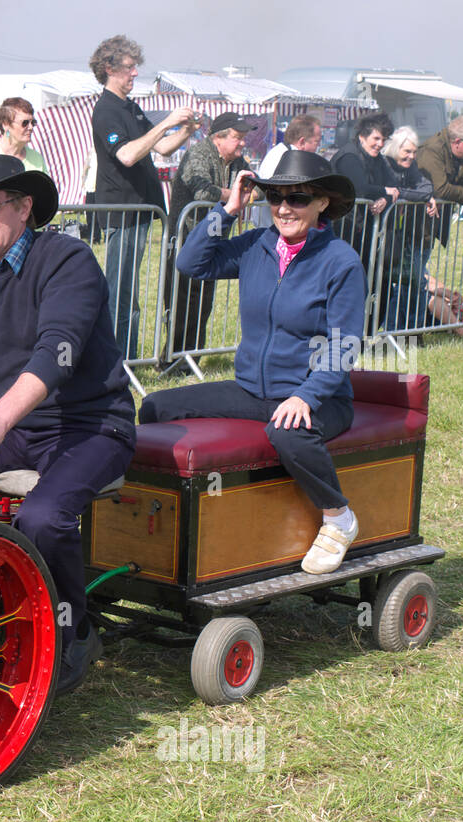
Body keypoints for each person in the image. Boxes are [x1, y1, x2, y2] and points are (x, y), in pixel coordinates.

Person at [0, 155, 137, 694]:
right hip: (17, 432)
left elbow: (57, 354)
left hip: (92, 426)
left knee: (42, 518)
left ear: (25, 207)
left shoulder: (68, 260)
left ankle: (72, 634)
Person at [140, 151, 365, 576]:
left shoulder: (341, 261)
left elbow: (345, 344)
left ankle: (338, 518)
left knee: (289, 433)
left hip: (320, 398)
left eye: (297, 198)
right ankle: (167, 521)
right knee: (155, 408)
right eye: (275, 196)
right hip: (251, 391)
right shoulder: (256, 245)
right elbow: (191, 263)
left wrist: (307, 396)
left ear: (323, 203)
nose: (283, 207)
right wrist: (226, 211)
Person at [88, 34, 198, 358]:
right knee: (119, 292)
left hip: (140, 211)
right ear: (109, 68)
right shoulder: (106, 110)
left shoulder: (130, 107)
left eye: (136, 67)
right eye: (129, 67)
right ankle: (116, 360)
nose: (135, 73)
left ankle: (129, 357)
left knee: (130, 293)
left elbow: (160, 148)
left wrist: (187, 130)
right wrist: (166, 123)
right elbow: (127, 155)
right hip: (122, 212)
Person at [163, 112, 254, 363]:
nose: (243, 143)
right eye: (238, 137)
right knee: (181, 302)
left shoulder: (237, 162)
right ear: (218, 138)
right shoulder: (199, 154)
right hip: (185, 238)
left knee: (203, 302)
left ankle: (192, 357)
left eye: (244, 138)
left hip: (213, 238)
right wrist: (235, 195)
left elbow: (254, 184)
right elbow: (203, 190)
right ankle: (173, 360)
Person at [379, 126, 438, 332]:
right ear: (396, 149)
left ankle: (410, 330)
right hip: (383, 235)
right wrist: (413, 195)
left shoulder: (411, 167)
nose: (411, 156)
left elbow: (426, 187)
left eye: (414, 152)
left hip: (407, 235)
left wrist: (404, 194)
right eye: (407, 152)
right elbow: (388, 190)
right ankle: (387, 329)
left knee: (413, 282)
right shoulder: (384, 163)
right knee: (386, 284)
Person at [331, 111, 399, 271]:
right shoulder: (348, 156)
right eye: (376, 138)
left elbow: (394, 186)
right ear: (362, 136)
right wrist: (384, 191)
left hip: (366, 230)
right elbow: (360, 188)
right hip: (344, 229)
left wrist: (385, 199)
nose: (380, 144)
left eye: (384, 139)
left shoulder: (377, 158)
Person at [415, 115, 463, 254]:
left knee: (420, 266)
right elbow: (441, 189)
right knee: (413, 270)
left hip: (434, 224)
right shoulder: (432, 150)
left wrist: (458, 193)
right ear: (457, 142)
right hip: (415, 225)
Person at [257, 113, 322, 179]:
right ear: (302, 142)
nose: (319, 145)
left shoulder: (281, 151)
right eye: (317, 141)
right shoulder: (285, 158)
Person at [0, 97, 48, 173]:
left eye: (33, 122)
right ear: (6, 124)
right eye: (25, 123)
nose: (30, 127)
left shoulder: (36, 158)